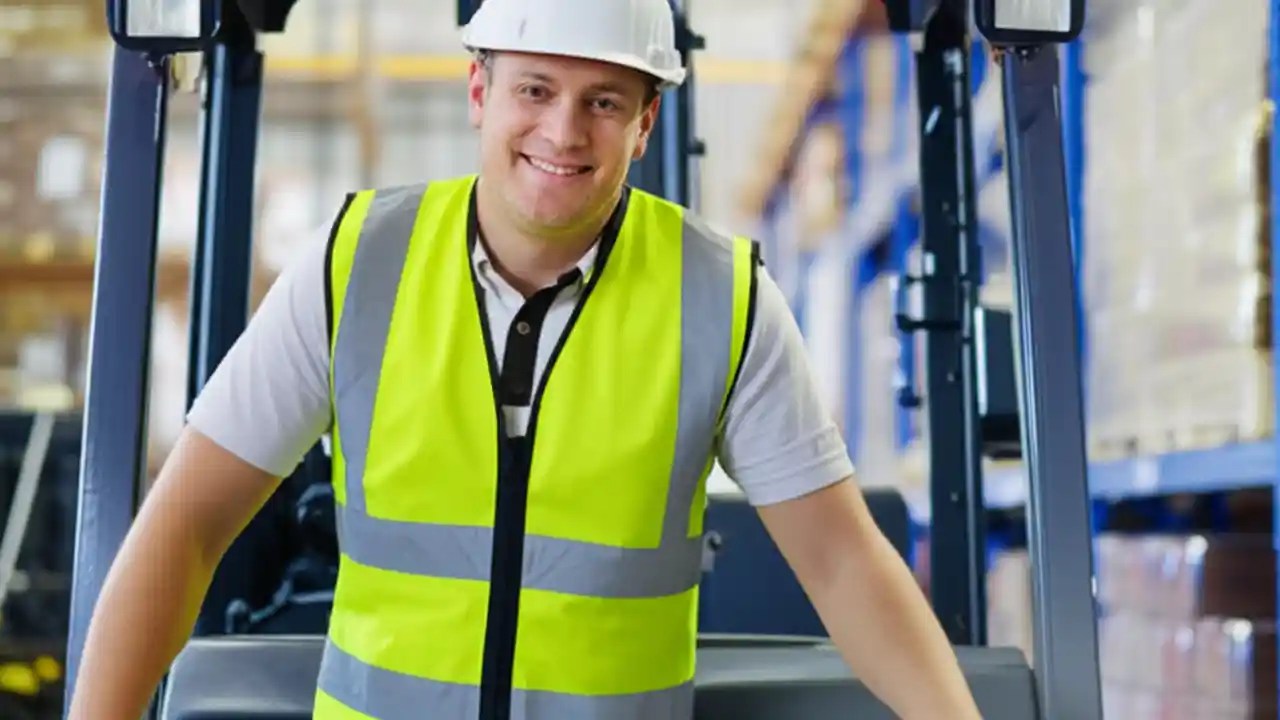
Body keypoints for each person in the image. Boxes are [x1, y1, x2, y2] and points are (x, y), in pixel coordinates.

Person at [67, 0, 984, 718]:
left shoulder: (722, 298)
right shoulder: (354, 265)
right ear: (480, 93)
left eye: (603, 102)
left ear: (645, 122)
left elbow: (842, 565)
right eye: (536, 90)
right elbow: (185, 523)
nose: (563, 132)